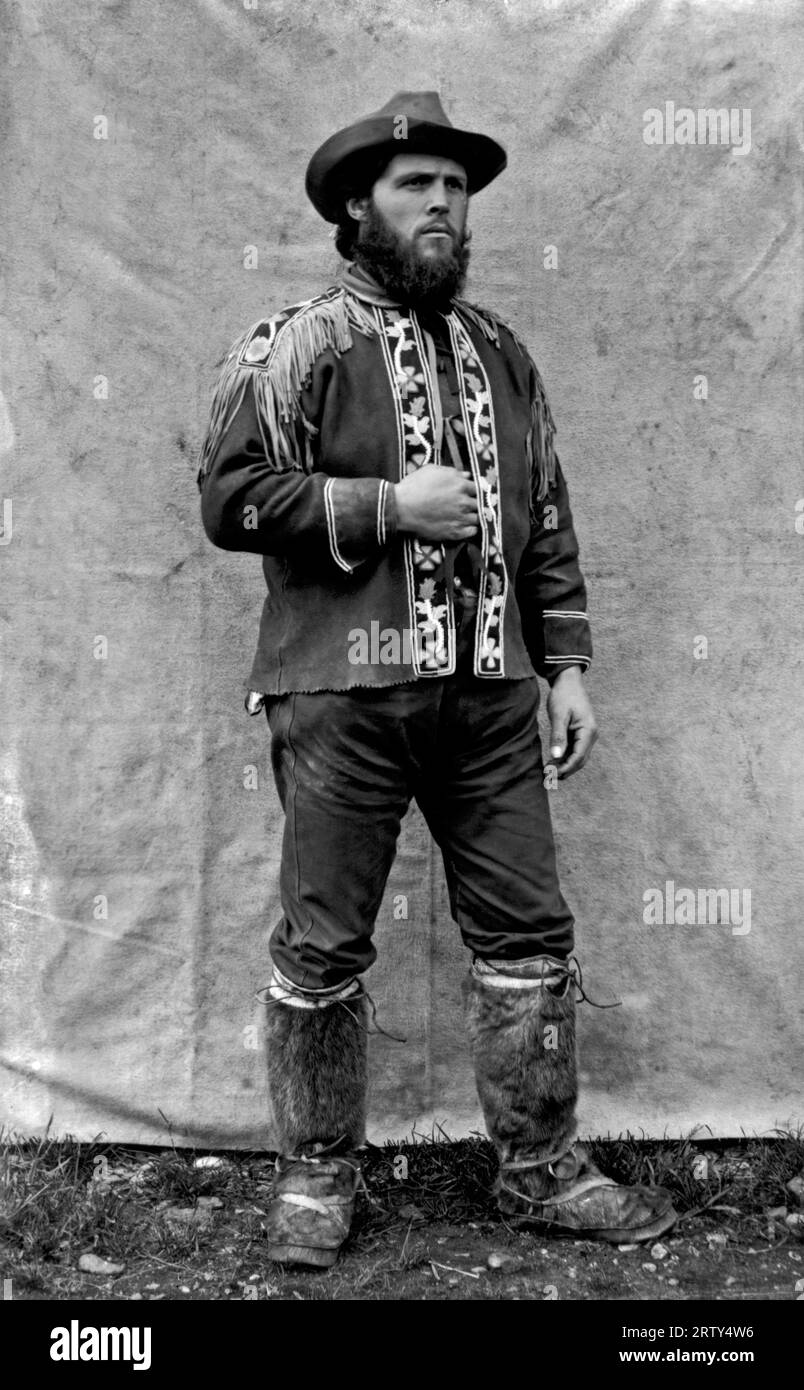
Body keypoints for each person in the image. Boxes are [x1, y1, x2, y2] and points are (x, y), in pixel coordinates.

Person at [197, 91, 676, 1268]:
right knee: (322, 944)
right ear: (358, 206)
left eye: (456, 190)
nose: (443, 207)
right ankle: (315, 1180)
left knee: (528, 930)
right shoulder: (292, 345)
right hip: (342, 698)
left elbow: (546, 511)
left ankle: (542, 1167)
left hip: (490, 700)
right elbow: (230, 498)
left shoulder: (503, 352)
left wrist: (564, 664)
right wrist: (383, 506)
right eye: (417, 187)